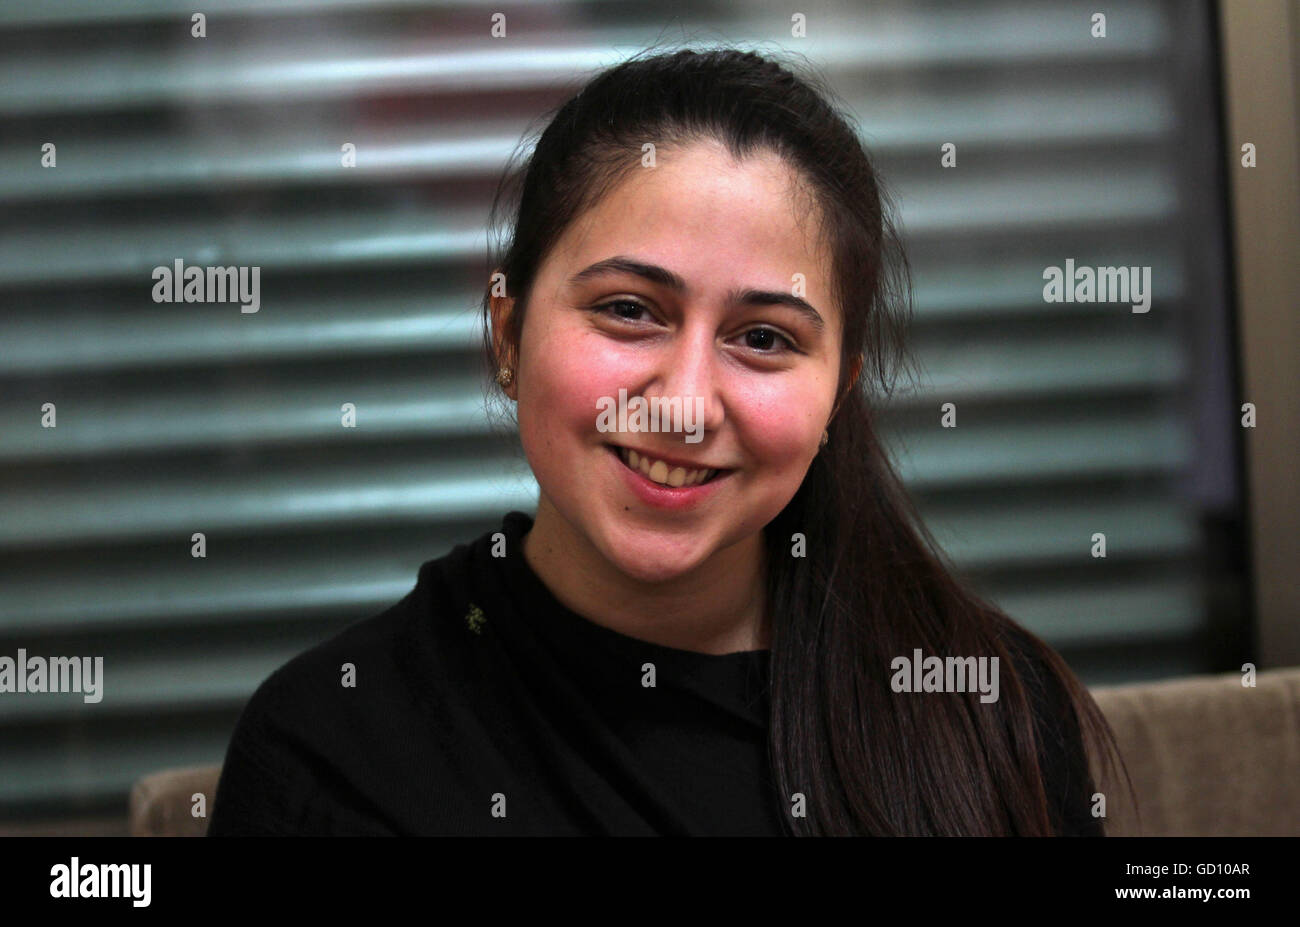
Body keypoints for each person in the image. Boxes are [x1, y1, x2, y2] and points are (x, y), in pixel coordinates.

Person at [208, 45, 1131, 836]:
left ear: (839, 394)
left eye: (763, 337)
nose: (684, 406)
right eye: (628, 310)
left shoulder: (980, 711)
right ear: (506, 331)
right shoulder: (332, 753)